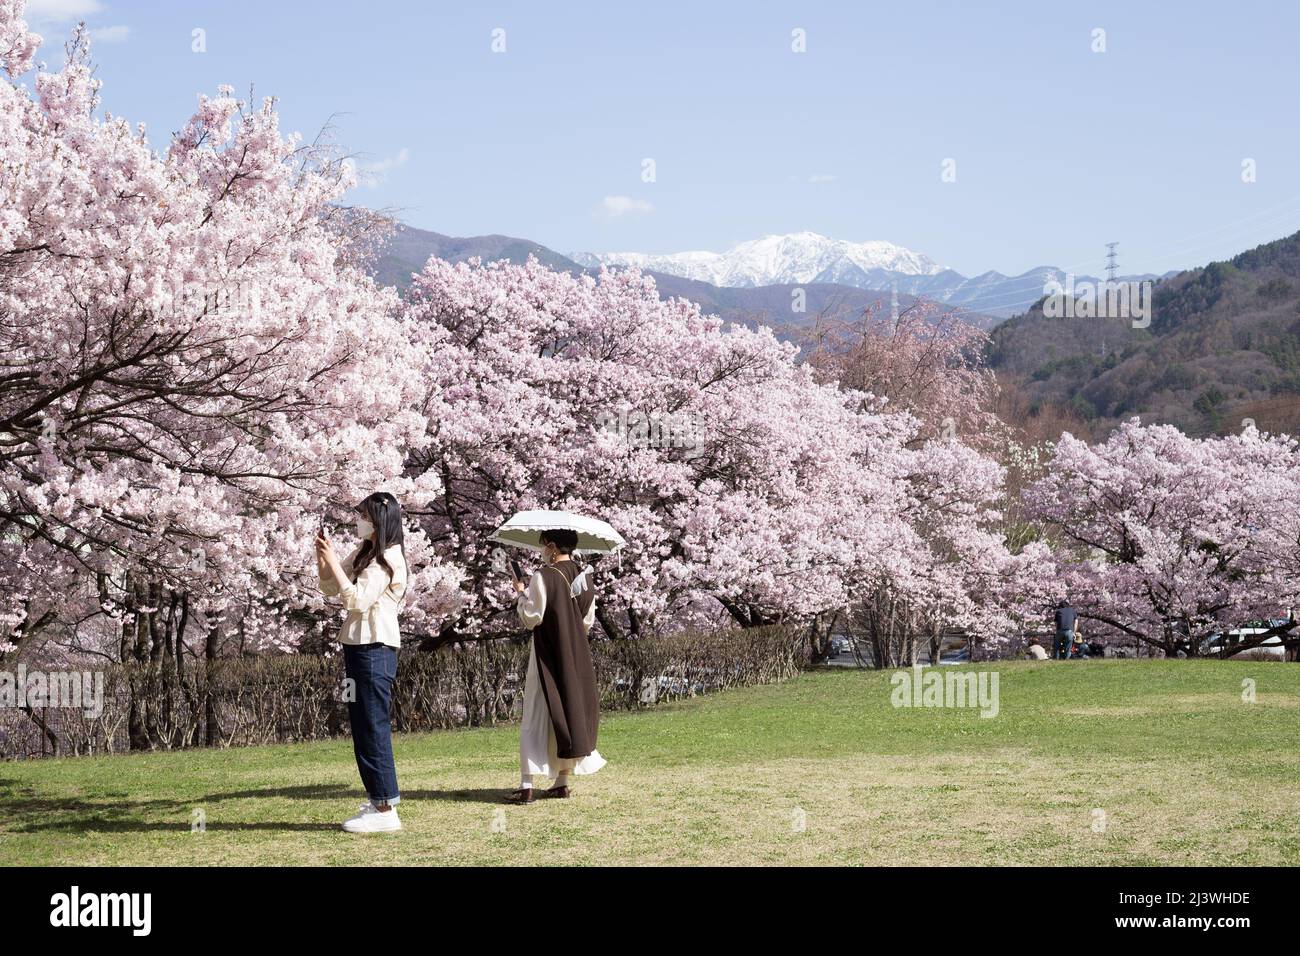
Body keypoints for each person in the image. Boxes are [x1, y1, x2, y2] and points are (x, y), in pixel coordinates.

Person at [317, 492, 408, 833]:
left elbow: (356, 600)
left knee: (372, 726)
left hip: (375, 647)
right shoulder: (366, 553)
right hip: (358, 647)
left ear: (380, 520)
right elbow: (329, 587)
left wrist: (334, 562)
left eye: (364, 515)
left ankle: (385, 809)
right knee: (362, 725)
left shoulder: (389, 559)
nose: (359, 520)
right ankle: (377, 798)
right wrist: (323, 559)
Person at [507, 528, 606, 803]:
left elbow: (532, 616)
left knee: (536, 713)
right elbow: (587, 621)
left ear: (551, 546)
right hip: (576, 653)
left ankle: (526, 784)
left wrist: (521, 593)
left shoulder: (544, 575)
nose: (542, 551)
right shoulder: (586, 577)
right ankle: (561, 781)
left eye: (543, 546)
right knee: (564, 711)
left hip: (547, 653)